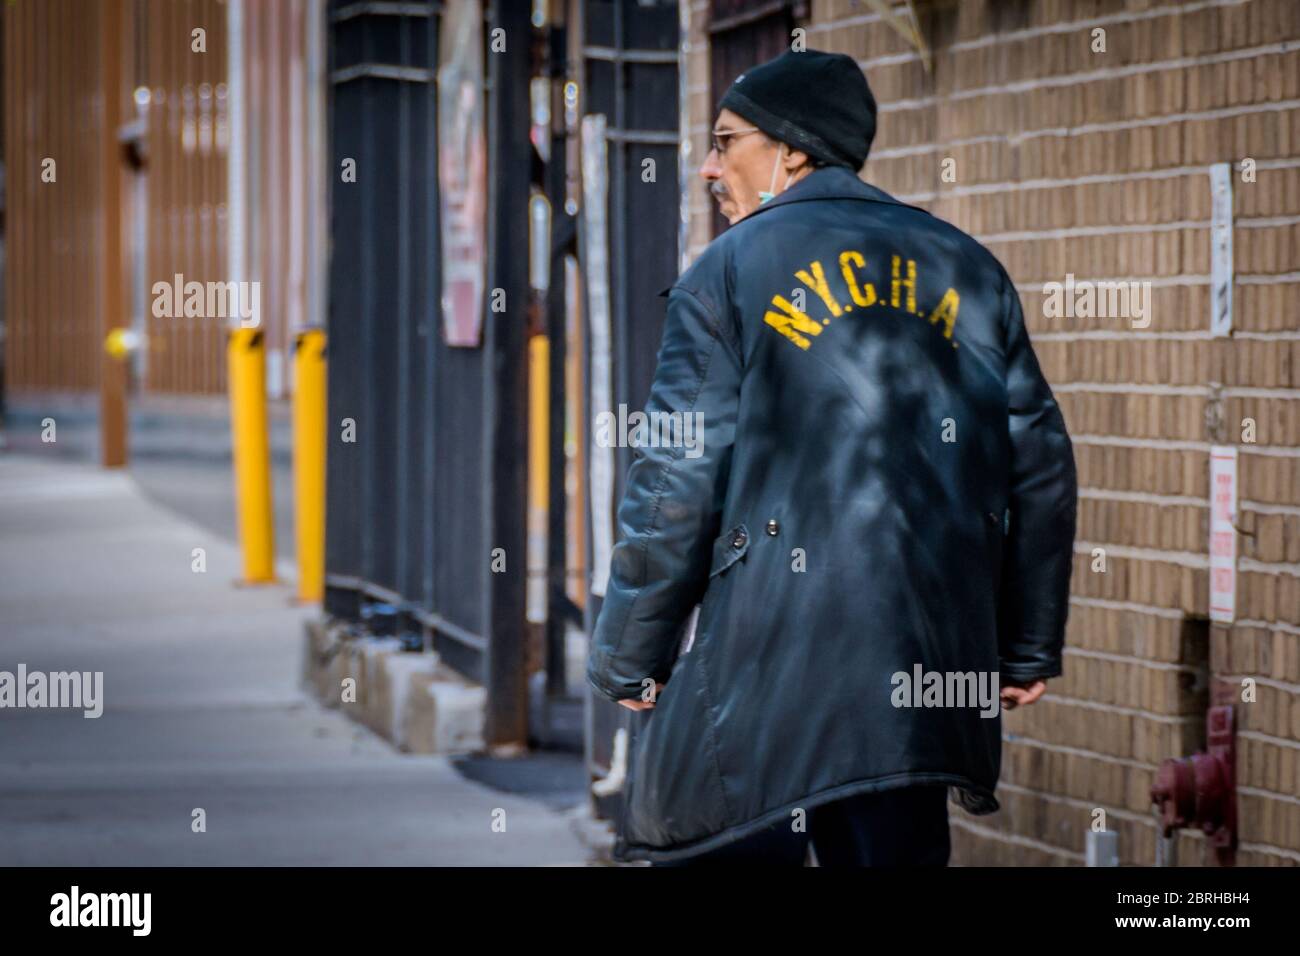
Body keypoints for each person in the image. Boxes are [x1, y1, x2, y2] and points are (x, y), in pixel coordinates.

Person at [586, 49, 1077, 866]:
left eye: (726, 140)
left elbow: (675, 477)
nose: (710, 165)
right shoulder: (967, 268)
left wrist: (630, 653)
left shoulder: (728, 273)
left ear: (791, 151)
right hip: (920, 680)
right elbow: (1039, 467)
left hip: (768, 679)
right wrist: (1024, 643)